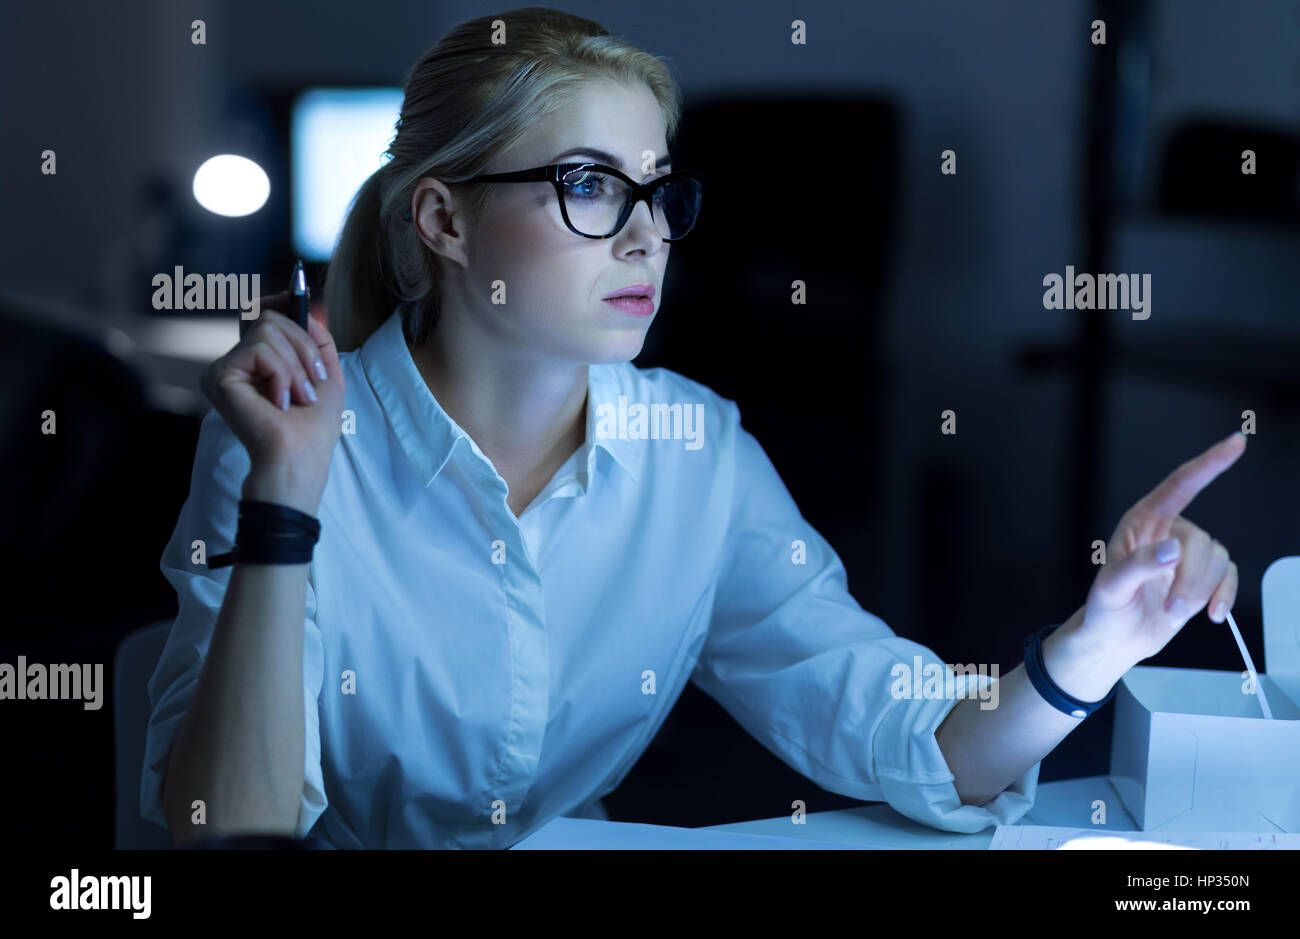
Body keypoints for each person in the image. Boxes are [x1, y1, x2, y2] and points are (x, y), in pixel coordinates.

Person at [142, 7, 1244, 849]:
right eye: (586, 186)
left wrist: (1091, 646)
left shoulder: (695, 455)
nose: (644, 240)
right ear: (442, 220)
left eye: (657, 192)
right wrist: (283, 511)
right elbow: (221, 830)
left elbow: (894, 726)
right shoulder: (287, 442)